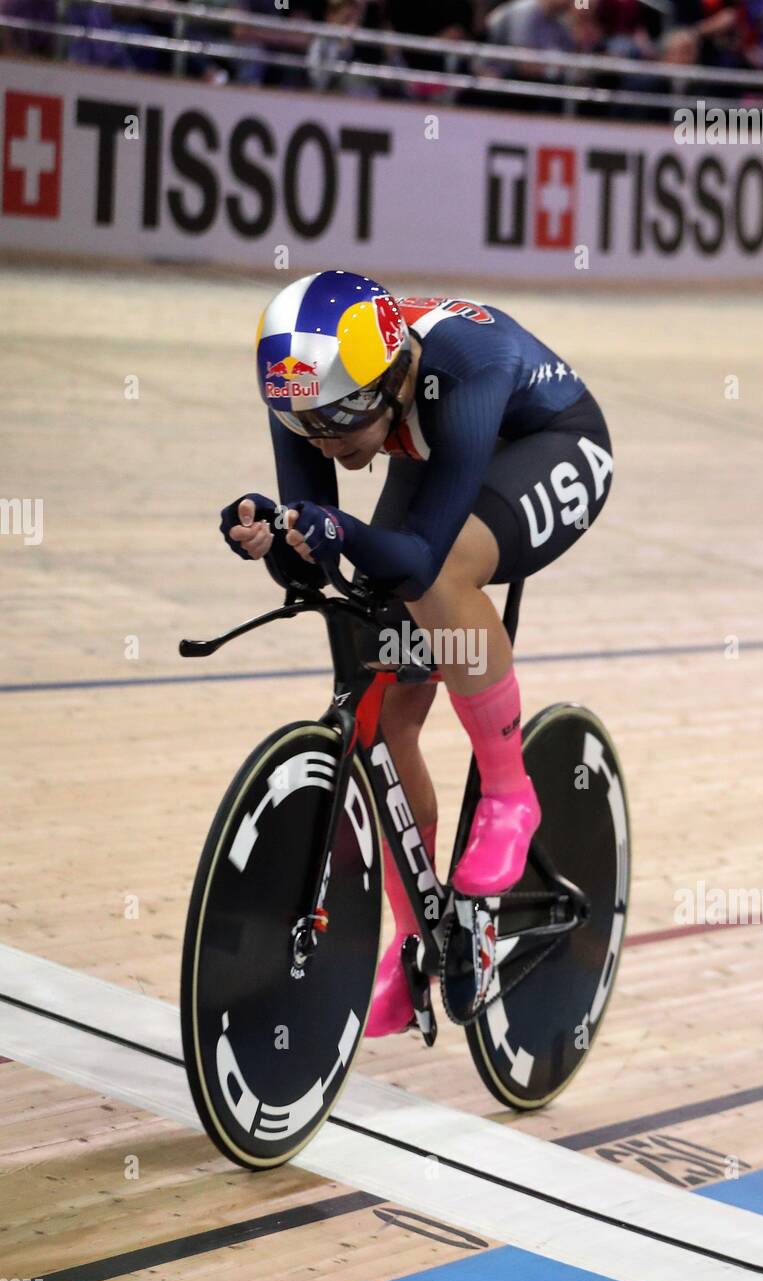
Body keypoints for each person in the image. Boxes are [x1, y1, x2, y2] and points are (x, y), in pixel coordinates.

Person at [220, 271, 614, 1036]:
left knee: (442, 573)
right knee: (380, 702)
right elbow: (321, 558)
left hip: (545, 440)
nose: (325, 441)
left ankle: (510, 793)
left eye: (338, 419)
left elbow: (421, 556)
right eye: (304, 425)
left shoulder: (466, 366)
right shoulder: (310, 393)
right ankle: (415, 940)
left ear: (391, 374)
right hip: (430, 447)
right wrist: (275, 537)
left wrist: (335, 531)